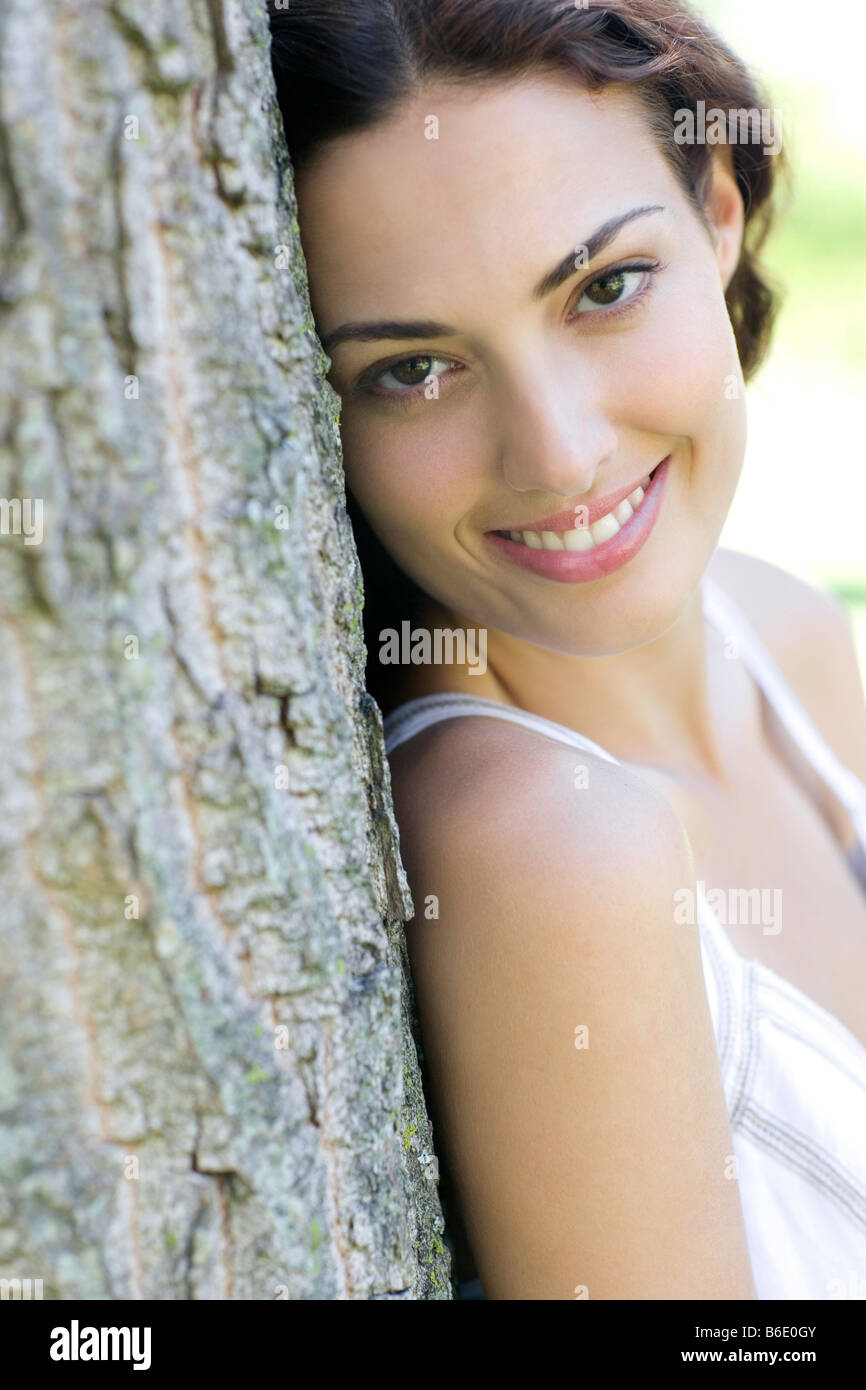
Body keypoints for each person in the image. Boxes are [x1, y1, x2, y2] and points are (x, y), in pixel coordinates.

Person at [268, 0, 866, 1299]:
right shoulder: (544, 844)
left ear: (714, 213)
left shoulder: (790, 635)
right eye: (411, 370)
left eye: (602, 287)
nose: (556, 453)